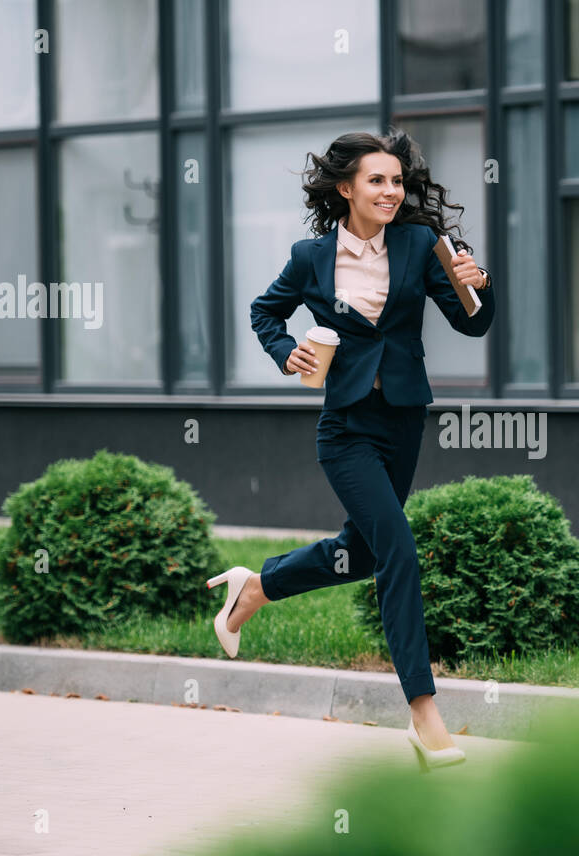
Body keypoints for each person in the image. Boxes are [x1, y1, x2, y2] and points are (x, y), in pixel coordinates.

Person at [206, 128, 494, 772]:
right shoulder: (310, 257)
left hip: (403, 425)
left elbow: (472, 320)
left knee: (361, 554)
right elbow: (263, 312)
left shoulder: (420, 245)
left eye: (397, 181)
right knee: (398, 549)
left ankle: (255, 587)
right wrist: (288, 354)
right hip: (345, 432)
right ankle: (425, 715)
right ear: (346, 189)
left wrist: (480, 281)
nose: (391, 191)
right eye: (377, 181)